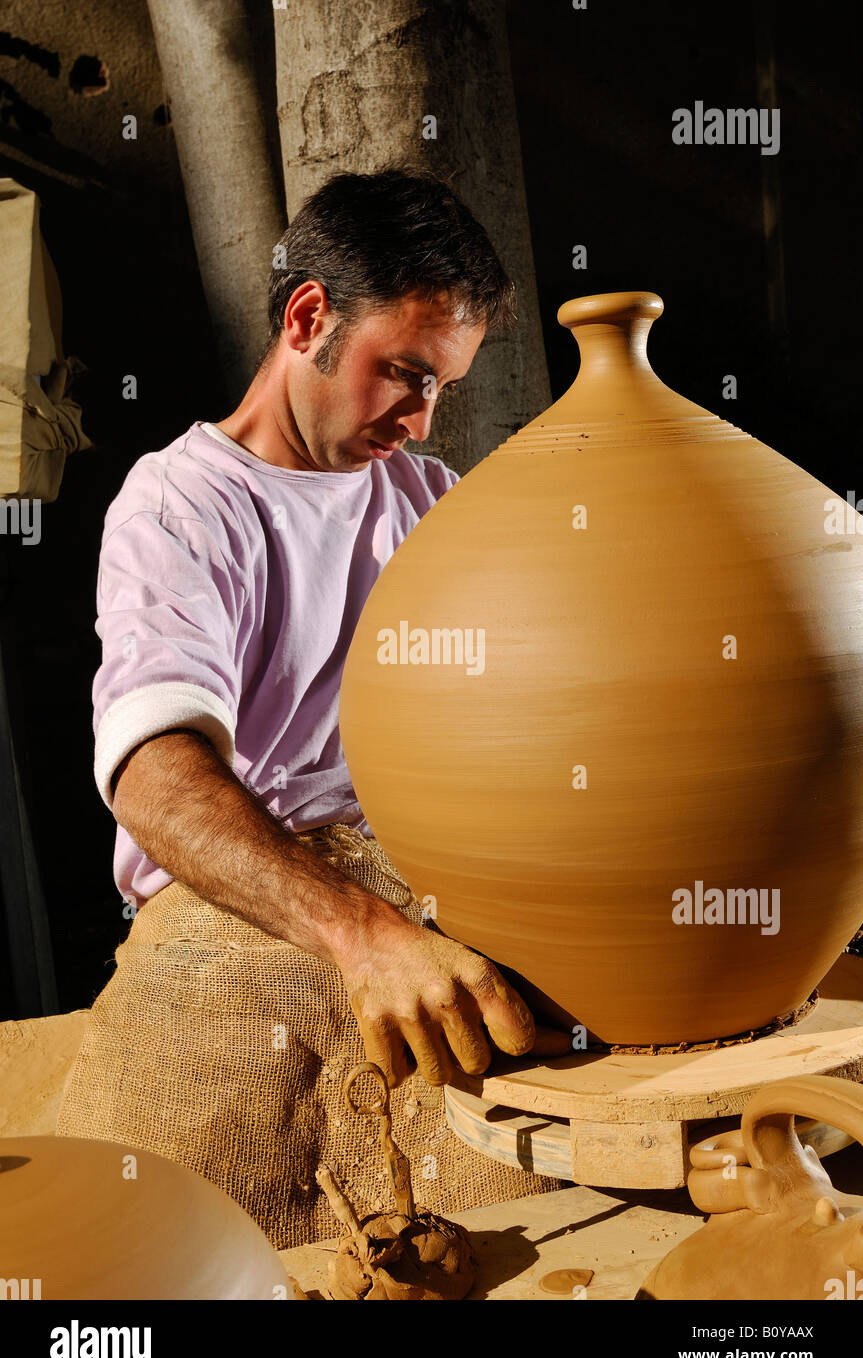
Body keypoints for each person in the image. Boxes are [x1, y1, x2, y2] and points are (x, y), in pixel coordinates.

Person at [57, 165, 568, 1246]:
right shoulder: (182, 506)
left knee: (537, 1196)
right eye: (404, 373)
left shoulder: (429, 502)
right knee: (172, 1248)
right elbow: (158, 783)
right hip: (237, 910)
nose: (421, 416)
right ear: (307, 318)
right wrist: (361, 936)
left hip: (419, 889)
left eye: (442, 387)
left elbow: (539, 720)